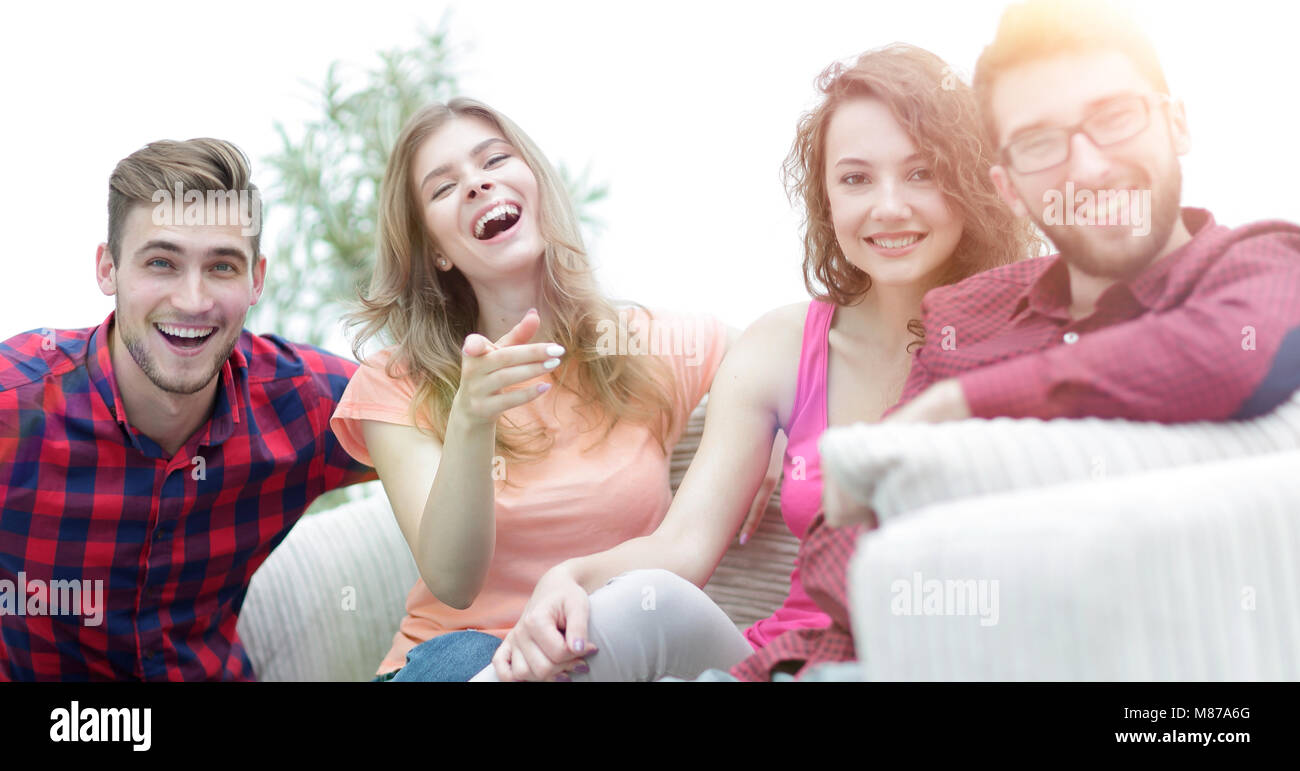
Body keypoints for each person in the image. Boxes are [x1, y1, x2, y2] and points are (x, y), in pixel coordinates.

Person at [480, 43, 1039, 682]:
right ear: (826, 198)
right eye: (856, 178)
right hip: (780, 664)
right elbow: (682, 549)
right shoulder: (782, 345)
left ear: (972, 182)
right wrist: (566, 576)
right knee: (633, 612)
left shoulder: (1026, 336)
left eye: (921, 173)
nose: (888, 206)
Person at [792, 0, 1300, 681]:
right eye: (1039, 142)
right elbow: (832, 545)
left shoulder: (1257, 265)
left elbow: (1226, 358)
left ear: (1175, 123)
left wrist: (960, 407)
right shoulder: (967, 311)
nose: (1087, 169)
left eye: (1115, 117)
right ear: (1009, 186)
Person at [328, 97, 775, 682]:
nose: (477, 184)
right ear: (435, 250)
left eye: (494, 159)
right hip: (455, 663)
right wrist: (471, 420)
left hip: (599, 654)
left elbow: (775, 356)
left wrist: (773, 431)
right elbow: (453, 582)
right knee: (469, 654)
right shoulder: (397, 381)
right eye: (443, 188)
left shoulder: (634, 344)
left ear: (534, 184)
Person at [0, 138, 374, 681]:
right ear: (107, 269)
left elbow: (469, 425)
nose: (193, 300)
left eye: (222, 267)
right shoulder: (17, 404)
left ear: (256, 279)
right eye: (161, 262)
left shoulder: (304, 404)